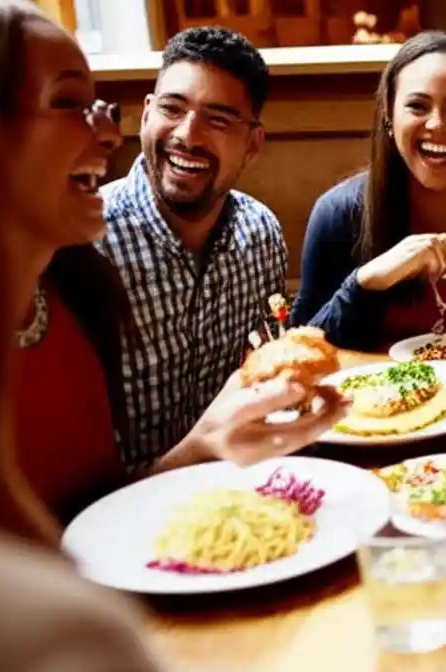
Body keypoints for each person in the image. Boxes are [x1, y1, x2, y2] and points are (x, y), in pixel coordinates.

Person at [0, 2, 343, 520]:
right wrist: (201, 448)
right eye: (69, 103)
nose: (106, 134)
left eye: (218, 119)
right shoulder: (77, 257)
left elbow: (79, 510)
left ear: (253, 145)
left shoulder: (63, 286)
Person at [0, 8, 188, 672]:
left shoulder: (79, 297)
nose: (109, 133)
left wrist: (208, 445)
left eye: (99, 106)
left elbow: (94, 514)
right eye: (67, 103)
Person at [99, 26, 290, 471]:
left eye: (218, 120)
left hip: (236, 504)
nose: (188, 135)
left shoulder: (261, 235)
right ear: (146, 114)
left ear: (252, 145)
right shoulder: (83, 244)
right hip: (106, 523)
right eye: (173, 108)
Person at [289, 30, 446, 350]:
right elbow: (299, 351)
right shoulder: (338, 212)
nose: (436, 124)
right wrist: (366, 281)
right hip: (371, 397)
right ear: (389, 118)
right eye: (418, 107)